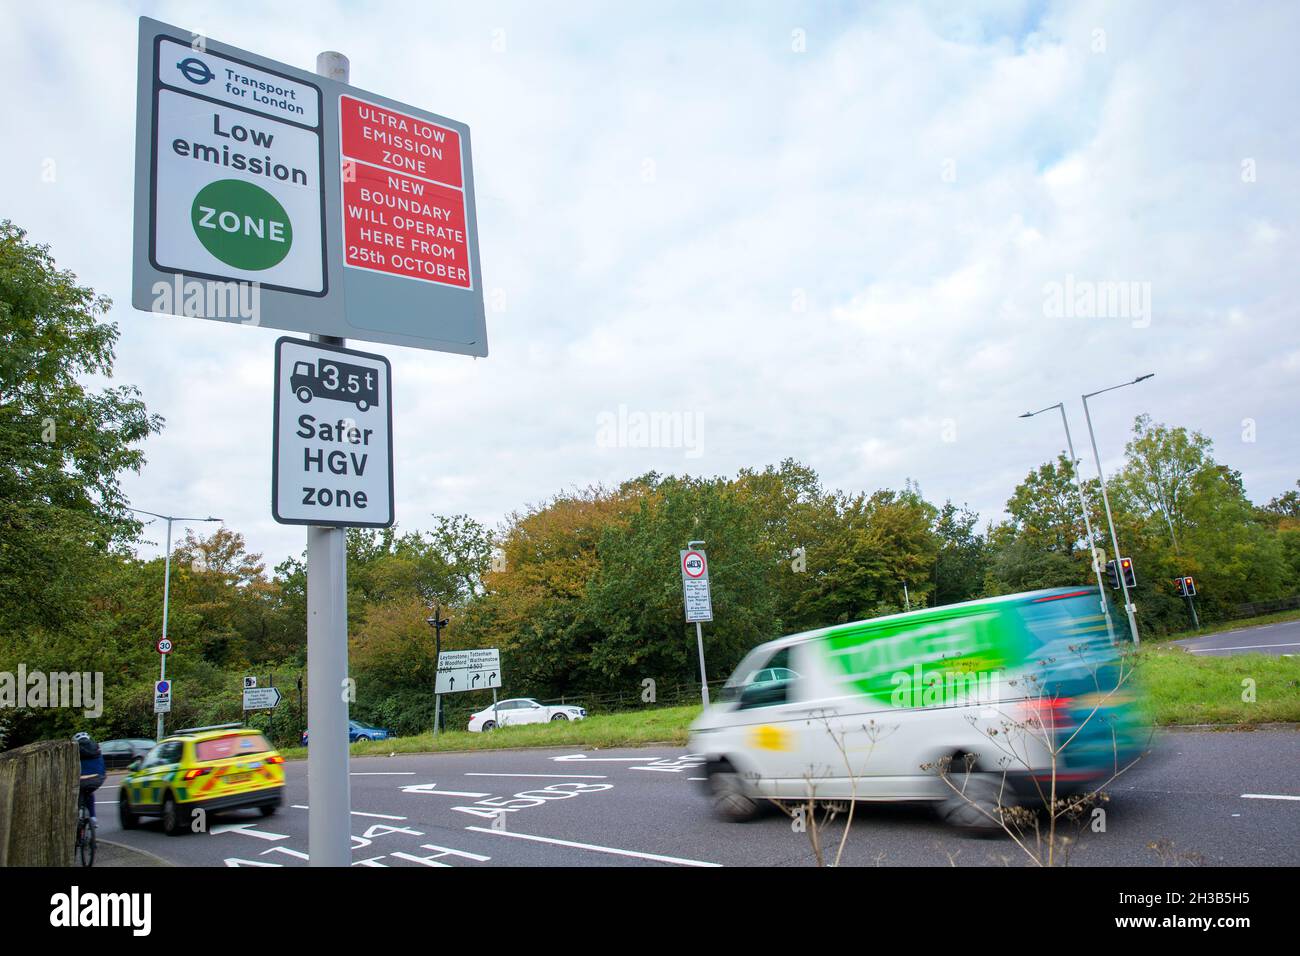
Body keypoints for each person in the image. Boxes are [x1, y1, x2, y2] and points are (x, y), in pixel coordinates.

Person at [74, 732, 106, 826]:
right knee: (89, 792)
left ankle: (76, 820)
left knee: (76, 795)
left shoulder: (74, 751)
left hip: (81, 780)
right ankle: (93, 818)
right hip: (98, 779)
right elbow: (102, 766)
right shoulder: (96, 748)